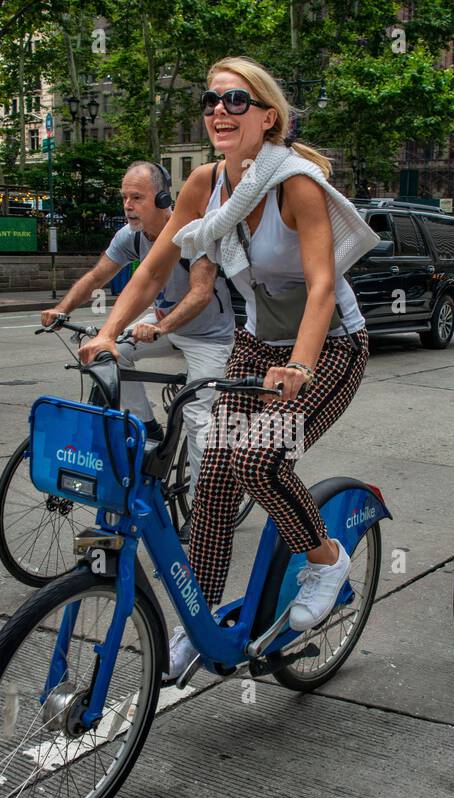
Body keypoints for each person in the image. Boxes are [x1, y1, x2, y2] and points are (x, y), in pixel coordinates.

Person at [78, 56, 378, 680]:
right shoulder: (205, 187)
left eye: (236, 100)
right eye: (211, 99)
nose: (219, 109)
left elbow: (322, 286)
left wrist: (300, 363)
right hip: (256, 343)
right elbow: (156, 268)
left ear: (268, 118)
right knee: (213, 480)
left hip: (329, 347)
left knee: (258, 458)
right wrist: (109, 332)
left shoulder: (294, 184)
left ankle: (326, 558)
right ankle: (201, 620)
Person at [41, 160, 235, 507]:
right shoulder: (131, 236)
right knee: (113, 355)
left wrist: (160, 327)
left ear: (162, 200)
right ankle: (147, 428)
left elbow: (201, 293)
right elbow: (98, 276)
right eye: (124, 197)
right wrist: (63, 309)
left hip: (209, 337)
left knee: (196, 420)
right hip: (161, 326)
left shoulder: (196, 232)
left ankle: (205, 512)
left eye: (137, 197)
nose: (128, 205)